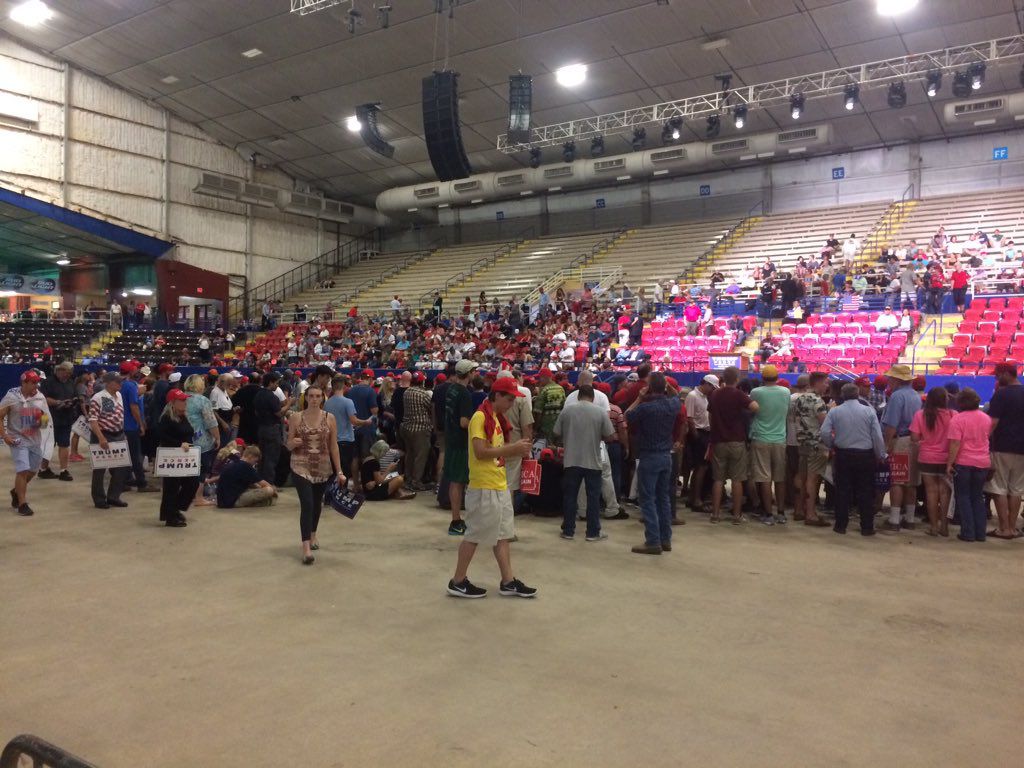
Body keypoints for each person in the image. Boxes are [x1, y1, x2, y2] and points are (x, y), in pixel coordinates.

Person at [446, 376, 534, 598]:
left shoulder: (494, 417)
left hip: (498, 484)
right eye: (510, 399)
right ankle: (457, 581)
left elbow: (494, 447)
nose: (512, 404)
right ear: (498, 396)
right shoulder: (479, 417)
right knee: (474, 534)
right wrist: (513, 449)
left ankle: (508, 581)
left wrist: (512, 448)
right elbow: (480, 452)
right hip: (484, 486)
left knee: (503, 535)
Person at [625, 372, 686, 554]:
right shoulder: (672, 405)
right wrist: (668, 386)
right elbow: (679, 397)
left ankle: (652, 540)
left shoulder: (645, 408)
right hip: (666, 455)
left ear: (650, 388)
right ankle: (665, 538)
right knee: (664, 499)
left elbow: (627, 415)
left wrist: (639, 397)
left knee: (648, 500)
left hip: (649, 456)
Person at [287, 386, 347, 564]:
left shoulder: (330, 418)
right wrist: (293, 443)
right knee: (307, 504)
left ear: (323, 398)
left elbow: (333, 446)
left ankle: (313, 534)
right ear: (306, 398)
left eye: (318, 396)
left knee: (317, 503)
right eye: (311, 396)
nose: (314, 399)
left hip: (323, 466)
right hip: (300, 465)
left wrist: (340, 471)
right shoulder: (296, 417)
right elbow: (288, 444)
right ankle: (305, 547)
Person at [819, 383, 886, 536]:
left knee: (842, 491)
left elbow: (824, 431)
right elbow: (877, 435)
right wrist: (880, 454)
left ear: (843, 395)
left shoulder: (835, 411)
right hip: (865, 455)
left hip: (843, 454)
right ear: (857, 395)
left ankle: (840, 525)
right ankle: (867, 527)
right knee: (866, 491)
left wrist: (832, 444)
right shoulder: (869, 411)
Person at [554, 384, 614, 542]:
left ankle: (568, 530)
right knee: (593, 498)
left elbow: (556, 433)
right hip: (592, 461)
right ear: (593, 397)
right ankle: (593, 532)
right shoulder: (600, 411)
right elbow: (610, 436)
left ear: (578, 395)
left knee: (570, 497)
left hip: (571, 460)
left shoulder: (567, 410)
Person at [708, 366, 757, 523]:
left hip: (719, 440)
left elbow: (710, 416)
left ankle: (715, 514)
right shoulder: (738, 394)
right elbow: (755, 407)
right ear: (737, 379)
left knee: (718, 479)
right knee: (737, 479)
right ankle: (737, 515)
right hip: (736, 441)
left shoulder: (715, 394)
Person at [0, 370, 53, 516]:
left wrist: (42, 423)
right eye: (33, 383)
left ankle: (16, 491)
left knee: (33, 470)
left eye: (37, 383)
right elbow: (0, 416)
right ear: (24, 383)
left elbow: (44, 416)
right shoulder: (12, 397)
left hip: (34, 439)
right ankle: (22, 503)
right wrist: (5, 436)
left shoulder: (40, 397)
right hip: (17, 439)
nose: (36, 386)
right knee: (22, 470)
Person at [946, 388, 991, 543]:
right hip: (983, 462)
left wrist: (949, 463)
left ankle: (968, 532)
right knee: (978, 497)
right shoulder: (986, 418)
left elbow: (955, 444)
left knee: (963, 497)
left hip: (964, 462)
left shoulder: (957, 419)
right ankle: (980, 533)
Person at [880, 365, 922, 532]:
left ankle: (894, 519)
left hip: (900, 440)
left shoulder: (897, 396)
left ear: (896, 379)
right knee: (911, 481)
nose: (888, 381)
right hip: (914, 441)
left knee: (897, 480)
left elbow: (892, 424)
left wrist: (887, 444)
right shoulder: (915, 396)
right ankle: (909, 518)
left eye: (890, 378)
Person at [985, 362, 1024, 539]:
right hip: (1022, 448)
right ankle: (1013, 527)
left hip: (1002, 446)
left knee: (999, 487)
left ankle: (1004, 527)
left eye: (998, 375)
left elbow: (993, 422)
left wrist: (983, 440)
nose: (996, 378)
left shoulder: (1002, 394)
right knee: (1016, 488)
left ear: (1007, 374)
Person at [749, 365, 790, 525]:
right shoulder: (785, 392)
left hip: (760, 438)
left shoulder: (756, 392)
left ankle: (768, 514)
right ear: (777, 377)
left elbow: (753, 411)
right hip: (780, 439)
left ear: (763, 378)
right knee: (779, 478)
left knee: (764, 477)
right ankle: (781, 512)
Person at [910, 387, 953, 537]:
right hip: (947, 458)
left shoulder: (920, 415)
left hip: (927, 457)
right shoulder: (954, 415)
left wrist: (925, 442)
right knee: (945, 493)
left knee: (931, 492)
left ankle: (933, 526)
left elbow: (914, 438)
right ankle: (945, 526)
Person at [790, 371, 831, 527]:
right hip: (815, 443)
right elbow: (824, 423)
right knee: (812, 479)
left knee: (801, 475)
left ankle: (799, 509)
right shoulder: (818, 401)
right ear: (818, 383)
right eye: (825, 382)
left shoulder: (798, 399)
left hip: (802, 441)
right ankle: (811, 513)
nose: (827, 385)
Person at [443, 359, 478, 535]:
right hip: (460, 443)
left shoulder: (451, 389)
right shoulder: (464, 393)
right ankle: (456, 521)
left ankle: (456, 518)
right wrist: (480, 422)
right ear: (469, 373)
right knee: (458, 482)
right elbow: (464, 422)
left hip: (451, 439)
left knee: (454, 482)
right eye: (474, 370)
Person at [157, 389, 199, 528]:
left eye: (185, 400)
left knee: (192, 483)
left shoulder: (183, 416)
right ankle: (170, 516)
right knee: (171, 487)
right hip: (171, 456)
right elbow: (163, 436)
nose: (185, 402)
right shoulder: (166, 418)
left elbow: (188, 432)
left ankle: (175, 508)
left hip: (186, 456)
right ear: (173, 402)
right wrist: (179, 444)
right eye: (182, 400)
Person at [88, 371, 129, 510]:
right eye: (118, 381)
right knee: (99, 469)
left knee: (120, 468)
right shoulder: (98, 398)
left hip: (118, 434)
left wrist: (123, 434)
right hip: (103, 434)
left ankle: (114, 496)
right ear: (109, 382)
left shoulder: (119, 395)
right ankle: (99, 498)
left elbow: (120, 416)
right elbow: (93, 420)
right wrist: (101, 438)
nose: (120, 383)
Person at [497, 370, 534, 514]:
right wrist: (527, 448)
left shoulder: (490, 400)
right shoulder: (521, 398)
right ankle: (506, 526)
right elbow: (527, 426)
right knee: (509, 488)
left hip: (495, 447)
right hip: (514, 447)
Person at [184, 373, 220, 507]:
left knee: (185, 469)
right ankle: (198, 497)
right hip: (201, 441)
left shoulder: (180, 398)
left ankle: (186, 494)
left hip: (183, 440)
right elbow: (210, 422)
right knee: (201, 470)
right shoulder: (202, 400)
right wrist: (217, 437)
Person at [38, 361, 77, 482]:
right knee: (47, 444)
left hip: (65, 418)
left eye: (70, 373)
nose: (68, 375)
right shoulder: (48, 382)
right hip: (47, 418)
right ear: (60, 370)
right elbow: (42, 399)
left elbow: (73, 395)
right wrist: (58, 402)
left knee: (64, 444)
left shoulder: (71, 383)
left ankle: (63, 470)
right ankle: (43, 469)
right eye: (67, 372)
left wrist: (72, 401)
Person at [684, 374, 716, 512]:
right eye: (712, 387)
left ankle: (694, 497)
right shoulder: (692, 396)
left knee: (702, 467)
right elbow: (689, 417)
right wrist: (696, 435)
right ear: (707, 384)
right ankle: (696, 499)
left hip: (704, 433)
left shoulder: (704, 397)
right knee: (700, 467)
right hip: (698, 433)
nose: (713, 390)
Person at [253, 372, 291, 485]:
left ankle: (261, 481)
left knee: (262, 457)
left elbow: (256, 411)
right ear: (271, 382)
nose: (277, 386)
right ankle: (269, 483)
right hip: (272, 429)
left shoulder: (258, 394)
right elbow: (279, 413)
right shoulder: (271, 396)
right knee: (271, 458)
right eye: (276, 383)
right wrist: (289, 404)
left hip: (261, 428)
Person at [400, 372, 433, 490]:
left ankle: (407, 479)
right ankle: (416, 481)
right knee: (421, 456)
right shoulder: (424, 394)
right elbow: (431, 408)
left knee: (410, 454)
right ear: (421, 381)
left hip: (407, 427)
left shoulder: (406, 392)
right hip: (420, 429)